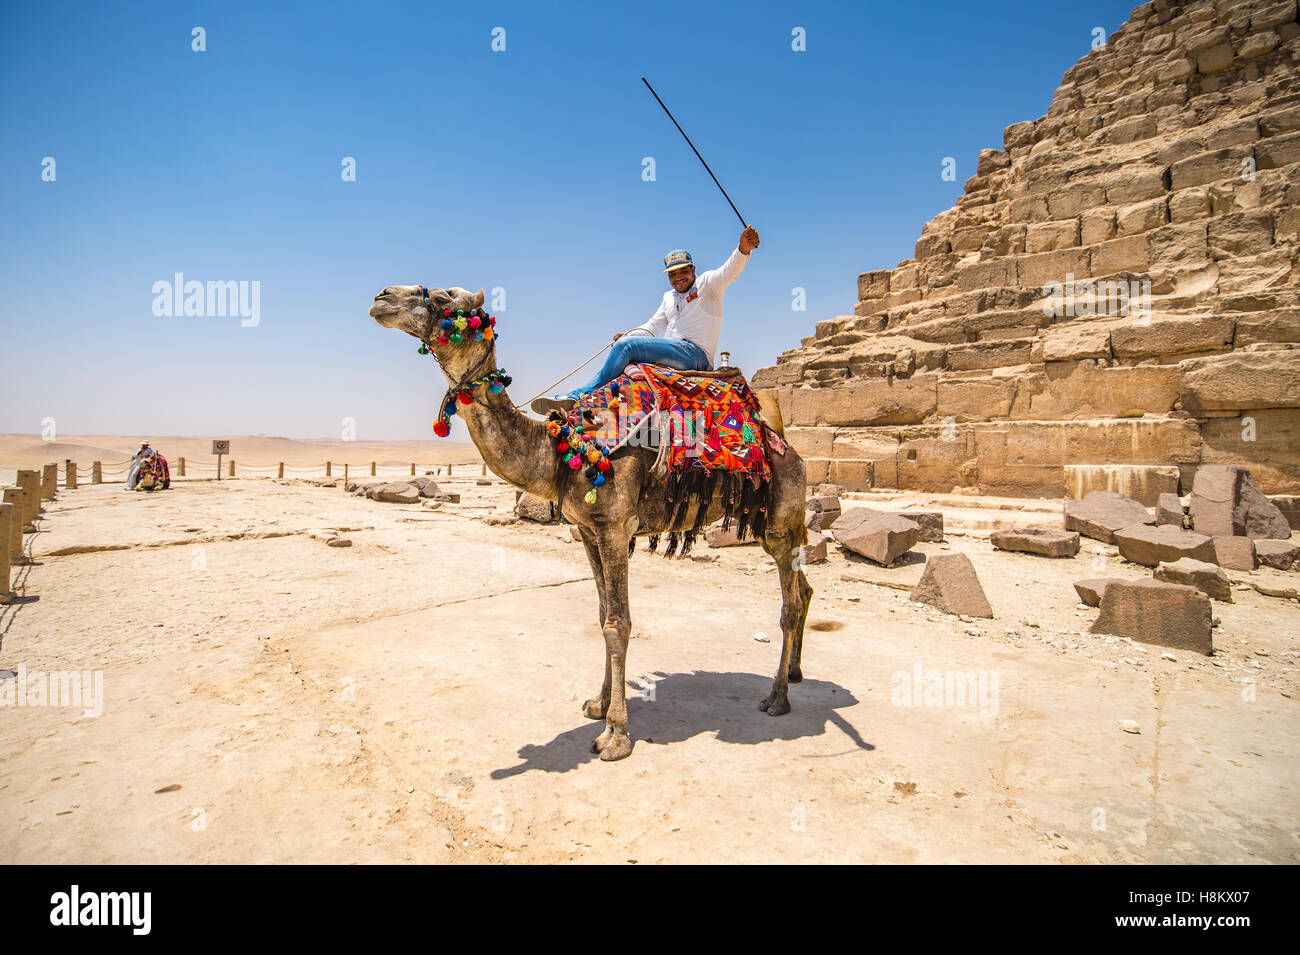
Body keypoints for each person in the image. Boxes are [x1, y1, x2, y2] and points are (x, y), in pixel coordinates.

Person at [531, 224, 760, 415]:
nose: (678, 277)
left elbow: (730, 271)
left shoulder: (708, 284)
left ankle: (576, 397)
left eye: (682, 271)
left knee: (627, 348)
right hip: (673, 351)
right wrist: (629, 336)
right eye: (672, 274)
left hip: (695, 355)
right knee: (626, 352)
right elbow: (652, 328)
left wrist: (743, 249)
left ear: (693, 269)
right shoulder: (668, 298)